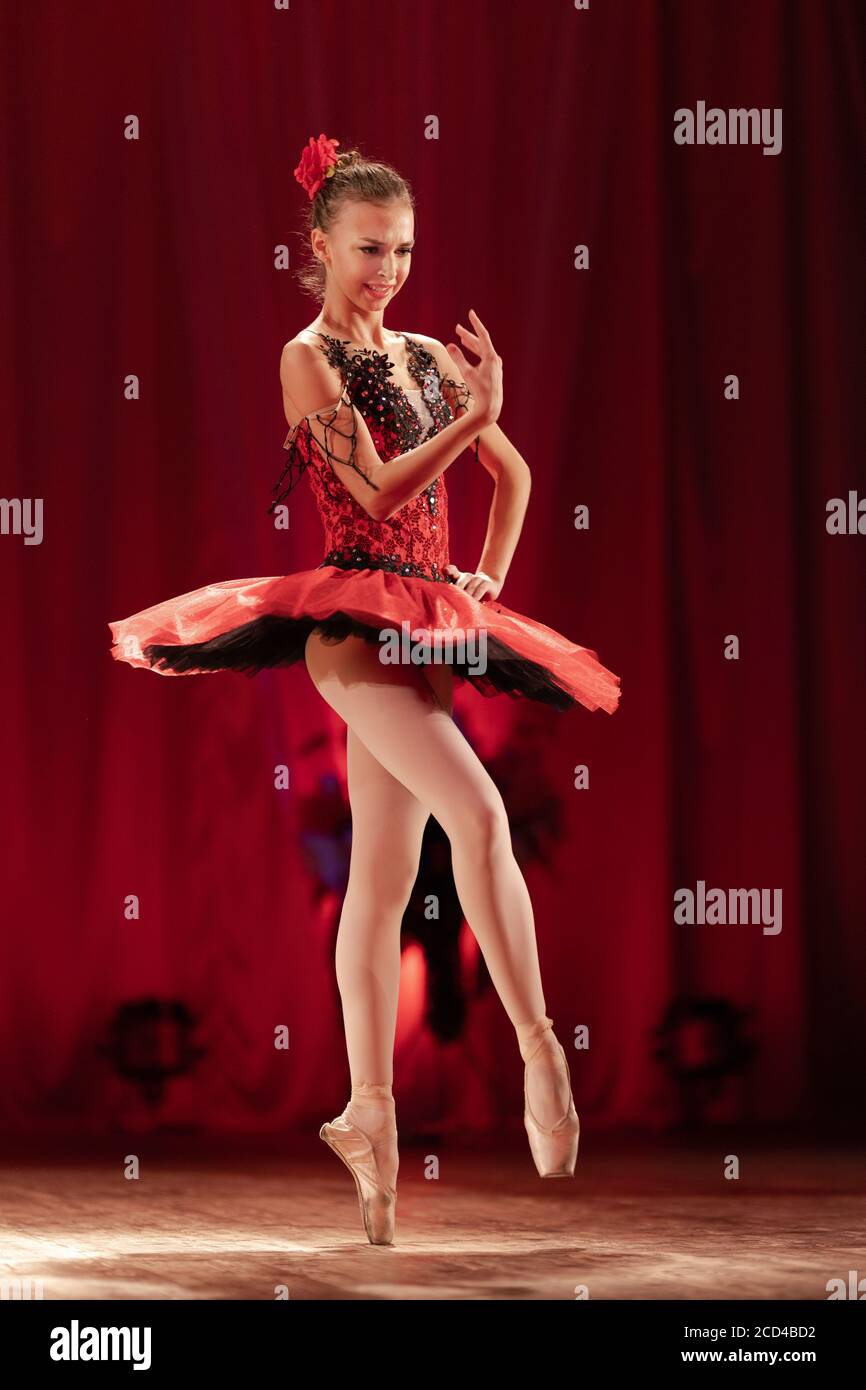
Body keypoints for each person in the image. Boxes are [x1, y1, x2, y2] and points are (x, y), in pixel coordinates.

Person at [108, 133, 622, 1246]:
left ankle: (367, 1122)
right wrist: (471, 421)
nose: (386, 269)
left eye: (400, 249)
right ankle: (541, 1048)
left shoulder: (429, 353)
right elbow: (378, 487)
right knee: (475, 810)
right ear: (319, 246)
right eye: (366, 250)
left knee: (382, 883)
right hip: (347, 621)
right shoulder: (308, 359)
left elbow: (515, 475)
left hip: (430, 617)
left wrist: (490, 562)